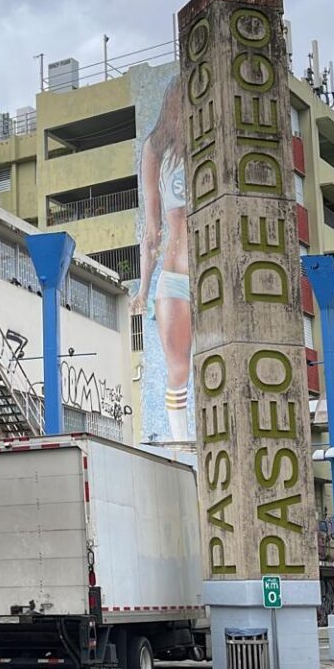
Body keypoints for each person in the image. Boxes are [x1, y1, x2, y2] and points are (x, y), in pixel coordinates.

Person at [131, 72, 192, 441]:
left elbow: (151, 234)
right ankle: (183, 449)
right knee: (178, 371)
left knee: (196, 369)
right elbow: (151, 231)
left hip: (199, 275)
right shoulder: (155, 148)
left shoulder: (209, 138)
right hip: (174, 278)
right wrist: (142, 289)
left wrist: (142, 289)